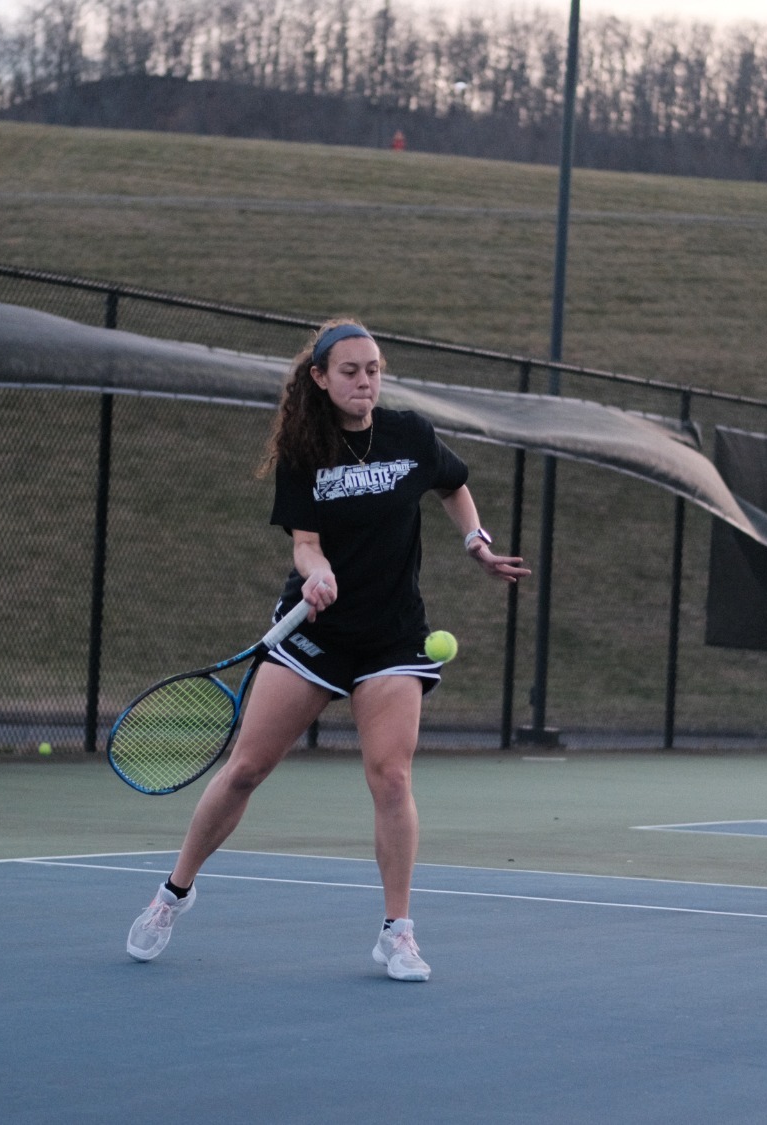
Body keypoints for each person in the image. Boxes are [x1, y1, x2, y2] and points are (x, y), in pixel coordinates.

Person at [124, 319, 529, 980]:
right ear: (320, 377)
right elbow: (304, 540)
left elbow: (452, 483)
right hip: (314, 632)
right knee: (248, 767)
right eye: (350, 370)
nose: (364, 380)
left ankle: (398, 931)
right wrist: (313, 571)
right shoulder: (305, 447)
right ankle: (174, 891)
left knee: (392, 776)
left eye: (373, 368)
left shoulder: (411, 434)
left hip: (392, 636)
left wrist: (475, 541)